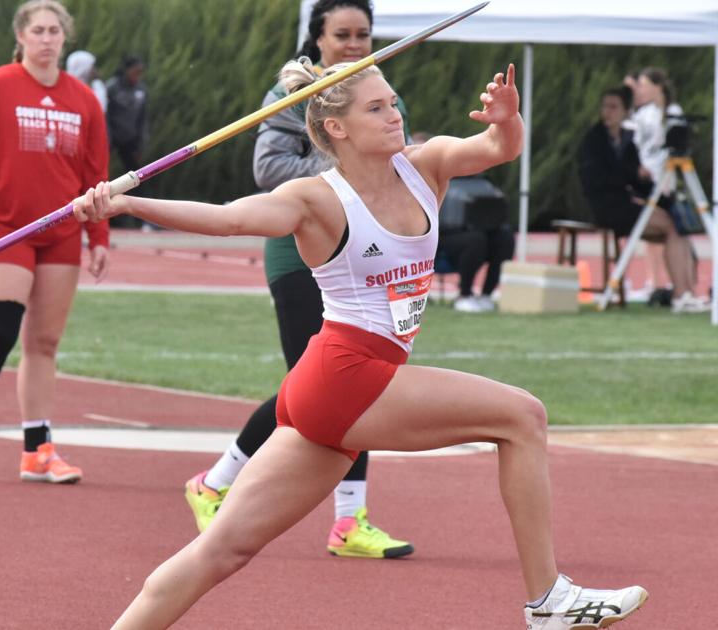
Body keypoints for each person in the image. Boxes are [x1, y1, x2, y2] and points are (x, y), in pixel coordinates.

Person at [74, 61, 648, 629]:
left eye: (393, 102)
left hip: (326, 396)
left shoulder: (429, 164)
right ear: (336, 129)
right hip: (345, 376)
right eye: (376, 108)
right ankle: (548, 601)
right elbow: (228, 219)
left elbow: (499, 147)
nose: (394, 114)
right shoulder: (315, 199)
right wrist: (126, 205)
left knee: (222, 550)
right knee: (523, 416)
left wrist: (509, 118)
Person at [184, 0, 412, 561]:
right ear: (318, 39)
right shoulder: (292, 96)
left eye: (363, 34)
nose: (355, 45)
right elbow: (268, 171)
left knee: (362, 382)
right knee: (324, 385)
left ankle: (345, 521)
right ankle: (217, 484)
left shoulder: (380, 92)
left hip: (367, 257)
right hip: (301, 255)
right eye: (343, 35)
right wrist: (343, 170)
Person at [0, 0, 109, 483]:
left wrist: (99, 236)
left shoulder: (84, 100)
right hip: (8, 229)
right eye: (39, 31)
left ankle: (38, 450)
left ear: (64, 38)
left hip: (62, 232)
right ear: (22, 37)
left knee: (44, 343)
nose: (48, 39)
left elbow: (95, 175)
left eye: (55, 31)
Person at [626, 69, 707, 313]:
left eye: (643, 84)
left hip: (667, 181)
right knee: (664, 231)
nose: (640, 89)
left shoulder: (673, 113)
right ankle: (665, 285)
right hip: (648, 183)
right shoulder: (643, 114)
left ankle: (685, 288)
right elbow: (635, 144)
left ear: (658, 86)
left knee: (677, 231)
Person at [435, 173, 515, 313]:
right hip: (443, 238)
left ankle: (486, 295)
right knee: (476, 239)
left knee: (505, 237)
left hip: (478, 234)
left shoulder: (482, 182)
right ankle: (464, 295)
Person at [105, 54, 149, 174]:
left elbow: (142, 119)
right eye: (135, 72)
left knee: (136, 174)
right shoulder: (112, 87)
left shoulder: (141, 90)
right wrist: (107, 139)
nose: (137, 76)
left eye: (140, 73)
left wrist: (141, 145)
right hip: (112, 136)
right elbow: (105, 116)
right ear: (127, 70)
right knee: (103, 169)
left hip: (130, 138)